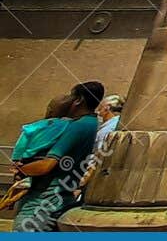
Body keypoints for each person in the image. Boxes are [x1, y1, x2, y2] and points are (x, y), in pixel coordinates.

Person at [7, 81, 103, 231]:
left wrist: (21, 168)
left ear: (79, 100)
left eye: (71, 96)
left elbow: (47, 165)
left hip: (43, 201)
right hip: (59, 197)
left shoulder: (77, 126)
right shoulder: (90, 123)